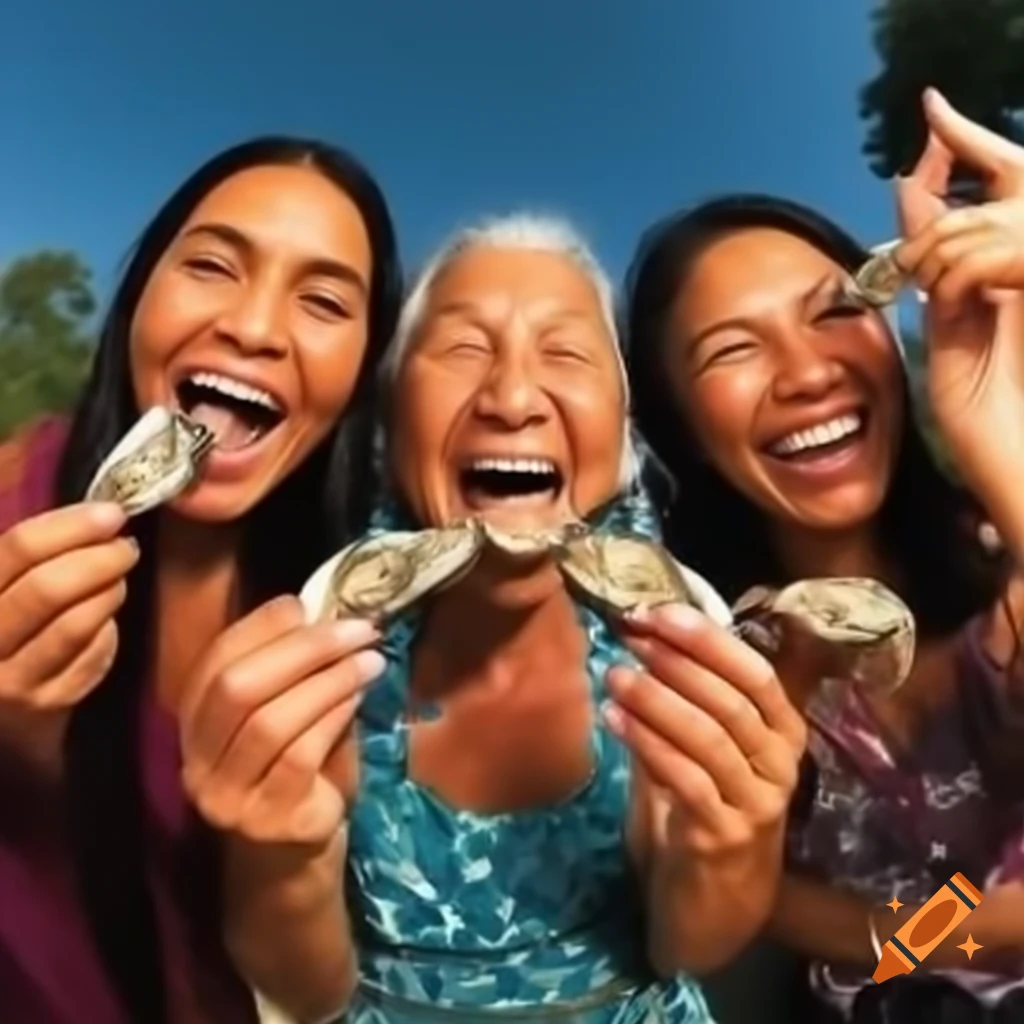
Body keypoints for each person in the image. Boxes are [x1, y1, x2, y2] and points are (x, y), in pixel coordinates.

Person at [199, 212, 807, 1023]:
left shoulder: (679, 638)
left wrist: (734, 841)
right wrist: (281, 855)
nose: (514, 397)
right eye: (462, 348)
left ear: (622, 436)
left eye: (565, 352)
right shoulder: (315, 644)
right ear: (391, 419)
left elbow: (686, 948)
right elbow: (304, 992)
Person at [624, 90, 1024, 1022]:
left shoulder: (1001, 557)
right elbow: (760, 926)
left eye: (838, 311)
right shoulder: (699, 667)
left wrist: (1001, 440)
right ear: (680, 425)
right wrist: (998, 926)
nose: (807, 374)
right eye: (732, 350)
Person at [0, 136, 401, 1024]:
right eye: (214, 265)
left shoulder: (352, 632)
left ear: (364, 370)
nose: (255, 328)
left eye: (325, 301)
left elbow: (309, 991)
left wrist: (282, 856)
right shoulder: (8, 498)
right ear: (139, 295)